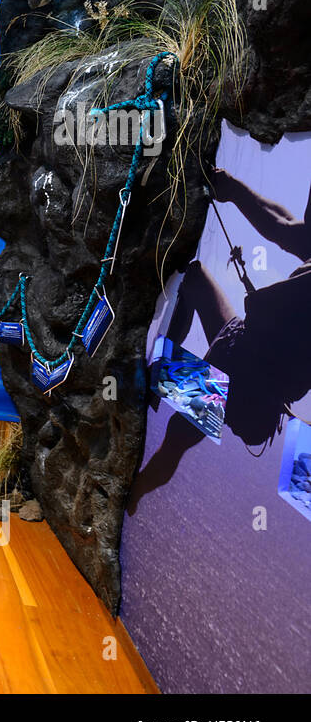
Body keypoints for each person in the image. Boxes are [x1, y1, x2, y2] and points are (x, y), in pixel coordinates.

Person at [130, 167, 311, 511]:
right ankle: (137, 488)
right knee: (195, 280)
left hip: (240, 367)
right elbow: (281, 224)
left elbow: (282, 226)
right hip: (256, 390)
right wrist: (230, 188)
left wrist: (230, 189)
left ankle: (156, 380)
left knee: (180, 433)